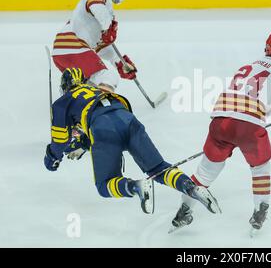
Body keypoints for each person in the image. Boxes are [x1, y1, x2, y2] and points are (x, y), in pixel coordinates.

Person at [170, 32, 271, 233]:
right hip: (249, 127)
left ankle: (184, 210)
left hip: (220, 121)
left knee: (205, 171)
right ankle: (259, 213)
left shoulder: (248, 65)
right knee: (260, 168)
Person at [44, 68, 221, 215]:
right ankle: (192, 188)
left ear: (65, 86)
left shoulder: (62, 102)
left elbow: (59, 142)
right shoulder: (96, 90)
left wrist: (51, 158)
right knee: (158, 168)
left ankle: (135, 186)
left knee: (105, 185)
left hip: (103, 128)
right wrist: (81, 143)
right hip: (128, 120)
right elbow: (96, 127)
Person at [51, 0, 136, 92]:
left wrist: (120, 63)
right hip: (74, 46)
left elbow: (101, 45)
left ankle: (71, 90)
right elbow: (95, 5)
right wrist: (107, 26)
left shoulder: (106, 10)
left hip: (62, 49)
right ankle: (102, 108)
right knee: (108, 78)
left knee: (91, 85)